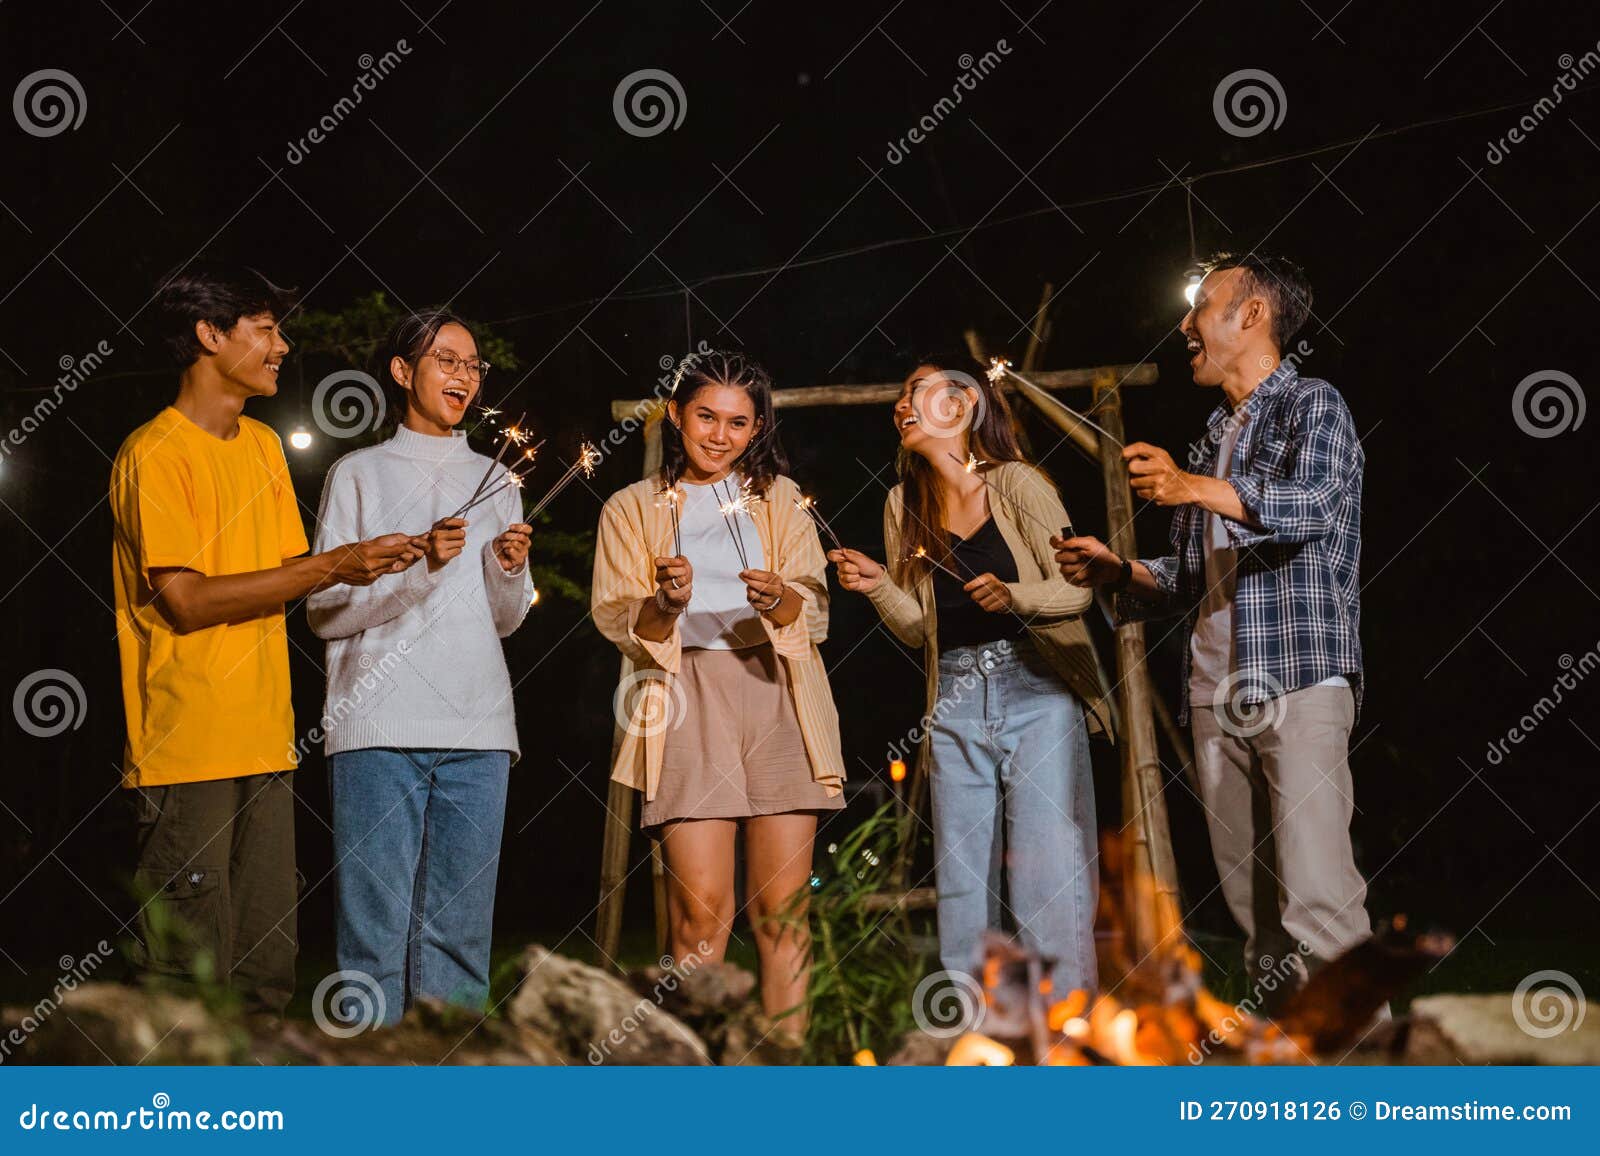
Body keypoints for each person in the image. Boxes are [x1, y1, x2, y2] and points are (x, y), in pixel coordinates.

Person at [1055, 252, 1373, 1007]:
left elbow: (1312, 506)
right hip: (1215, 692)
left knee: (1318, 900)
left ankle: (1370, 1062)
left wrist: (1190, 485)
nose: (1185, 325)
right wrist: (1119, 571)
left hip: (1297, 681)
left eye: (1201, 306)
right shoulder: (1216, 436)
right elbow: (1194, 576)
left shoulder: (1312, 404)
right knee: (1254, 916)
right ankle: (1283, 1059)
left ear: (1253, 314)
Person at [111, 261, 421, 1016]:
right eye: (265, 329)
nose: (282, 346)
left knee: (264, 977)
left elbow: (288, 576)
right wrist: (333, 563)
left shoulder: (261, 446)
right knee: (185, 983)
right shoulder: (154, 452)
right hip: (188, 746)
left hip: (267, 740)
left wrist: (383, 557)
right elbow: (186, 601)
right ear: (209, 335)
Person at [829, 355, 1111, 996]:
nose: (901, 405)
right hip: (953, 695)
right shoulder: (902, 503)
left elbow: (1078, 590)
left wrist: (1014, 597)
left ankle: (1064, 1028)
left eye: (916, 391)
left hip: (1037, 687)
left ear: (960, 405)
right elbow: (918, 628)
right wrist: (878, 586)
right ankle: (976, 1029)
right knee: (961, 877)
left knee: (1046, 870)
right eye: (900, 395)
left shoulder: (1018, 484)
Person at [592, 350, 845, 1042]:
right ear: (677, 415)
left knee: (782, 914)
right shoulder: (630, 507)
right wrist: (665, 603)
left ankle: (784, 1062)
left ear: (757, 427)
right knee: (700, 913)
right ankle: (695, 1067)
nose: (720, 435)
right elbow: (618, 622)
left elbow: (815, 611)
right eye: (706, 416)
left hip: (777, 691)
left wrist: (780, 596)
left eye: (738, 422)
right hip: (685, 696)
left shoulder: (780, 498)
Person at [308, 309, 534, 1024]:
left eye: (473, 365)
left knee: (460, 941)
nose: (464, 376)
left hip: (480, 730)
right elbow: (325, 612)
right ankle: (371, 1083)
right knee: (372, 942)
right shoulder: (357, 473)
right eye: (446, 360)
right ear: (403, 372)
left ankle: (453, 1081)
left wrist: (506, 571)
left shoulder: (499, 479)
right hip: (376, 728)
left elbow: (505, 620)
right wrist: (422, 569)